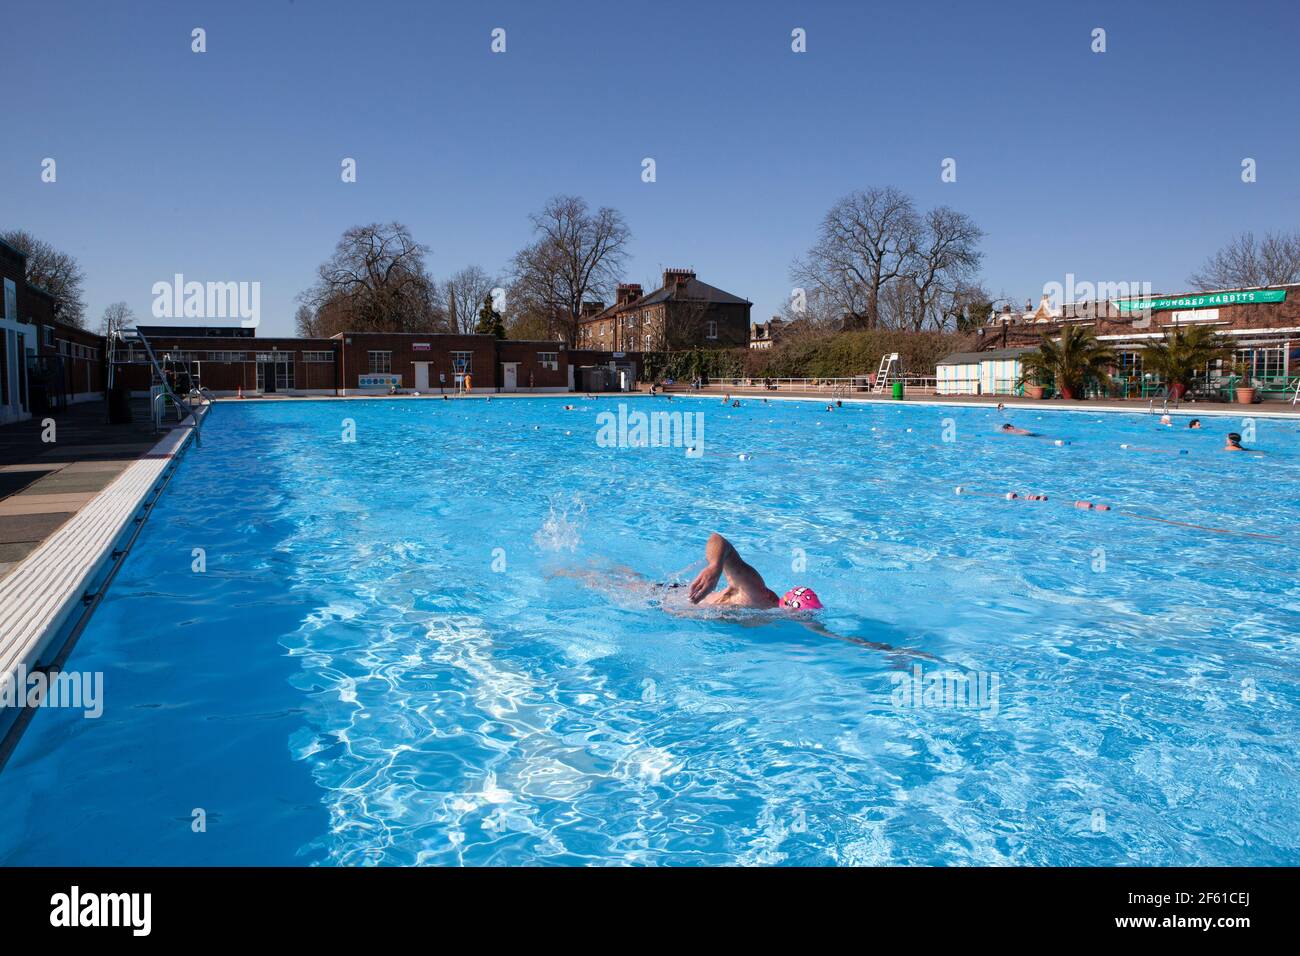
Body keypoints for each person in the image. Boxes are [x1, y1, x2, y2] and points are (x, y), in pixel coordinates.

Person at [687, 533, 822, 610]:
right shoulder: (755, 592)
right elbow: (717, 539)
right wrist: (715, 566)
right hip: (679, 597)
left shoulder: (771, 615)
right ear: (791, 609)